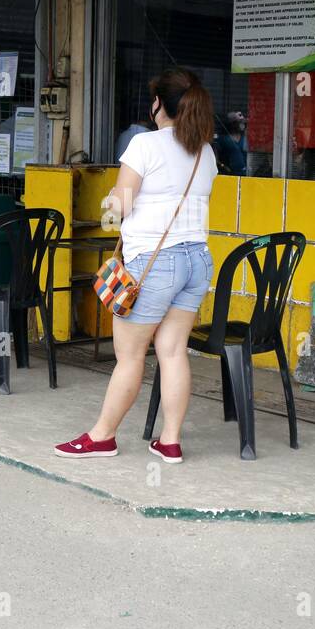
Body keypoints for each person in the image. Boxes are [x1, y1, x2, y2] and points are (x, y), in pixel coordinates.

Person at [56, 67, 217, 463]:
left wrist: (112, 200)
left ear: (158, 103)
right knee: (173, 350)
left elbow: (120, 208)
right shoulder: (206, 152)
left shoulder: (144, 146)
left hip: (154, 264)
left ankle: (102, 437)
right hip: (197, 260)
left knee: (130, 356)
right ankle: (170, 441)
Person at [213, 110, 248, 175]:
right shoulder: (223, 140)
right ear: (232, 124)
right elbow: (216, 159)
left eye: (242, 122)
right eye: (238, 122)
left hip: (246, 176)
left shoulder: (245, 138)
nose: (242, 124)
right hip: (230, 175)